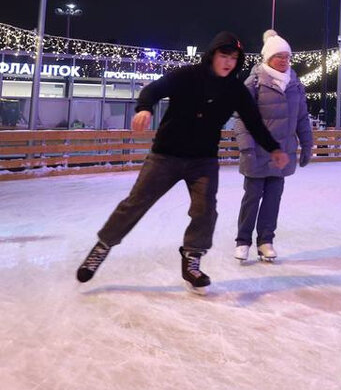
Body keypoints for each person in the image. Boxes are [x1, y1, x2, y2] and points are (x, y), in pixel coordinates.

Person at [75, 32, 286, 294]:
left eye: (233, 58)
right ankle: (102, 247)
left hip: (203, 160)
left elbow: (254, 122)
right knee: (135, 203)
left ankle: (192, 259)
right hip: (166, 155)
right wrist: (144, 108)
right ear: (212, 55)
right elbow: (153, 90)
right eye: (224, 56)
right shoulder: (187, 75)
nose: (228, 62)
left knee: (205, 210)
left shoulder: (235, 90)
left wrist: (273, 148)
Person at [231, 30, 313, 264]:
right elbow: (241, 117)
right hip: (257, 152)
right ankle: (243, 241)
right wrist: (246, 146)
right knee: (252, 197)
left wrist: (307, 145)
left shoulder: (295, 85)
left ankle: (266, 241)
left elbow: (302, 118)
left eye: (287, 56)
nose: (285, 60)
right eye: (280, 56)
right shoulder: (254, 82)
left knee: (273, 199)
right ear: (268, 58)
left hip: (282, 154)